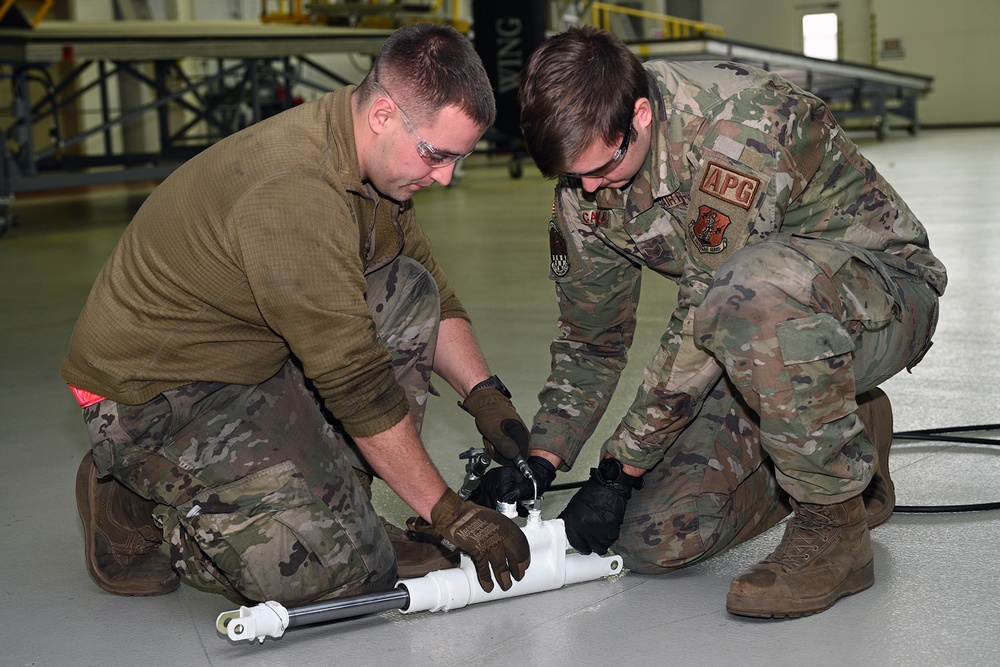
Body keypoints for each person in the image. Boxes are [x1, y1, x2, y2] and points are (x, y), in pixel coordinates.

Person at [472, 25, 945, 619]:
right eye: (572, 177)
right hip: (761, 339)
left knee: (748, 291)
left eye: (600, 168)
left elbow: (706, 311)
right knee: (655, 536)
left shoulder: (734, 128)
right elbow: (591, 341)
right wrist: (541, 460)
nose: (589, 190)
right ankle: (847, 427)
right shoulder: (587, 183)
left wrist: (619, 469)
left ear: (640, 115)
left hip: (885, 297)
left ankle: (836, 525)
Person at [62, 23, 531, 607]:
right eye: (437, 155)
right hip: (157, 399)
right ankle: (133, 499)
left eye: (457, 159)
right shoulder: (293, 192)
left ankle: (343, 510)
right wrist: (449, 513)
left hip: (251, 361)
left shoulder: (371, 165)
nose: (445, 177)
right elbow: (354, 381)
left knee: (405, 287)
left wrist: (485, 394)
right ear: (384, 115)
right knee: (331, 577)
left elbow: (431, 286)